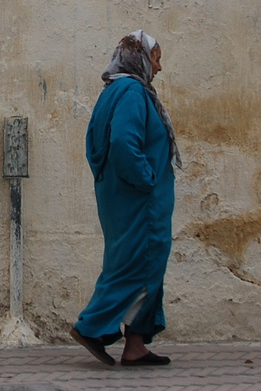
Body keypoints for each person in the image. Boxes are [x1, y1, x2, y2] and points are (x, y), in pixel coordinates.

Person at [71, 31, 179, 367]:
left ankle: (135, 346)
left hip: (124, 198)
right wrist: (147, 180)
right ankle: (92, 326)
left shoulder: (113, 91)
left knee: (141, 265)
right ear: (140, 58)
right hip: (139, 201)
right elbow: (123, 144)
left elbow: (95, 146)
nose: (159, 68)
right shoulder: (132, 91)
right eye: (156, 58)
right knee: (137, 265)